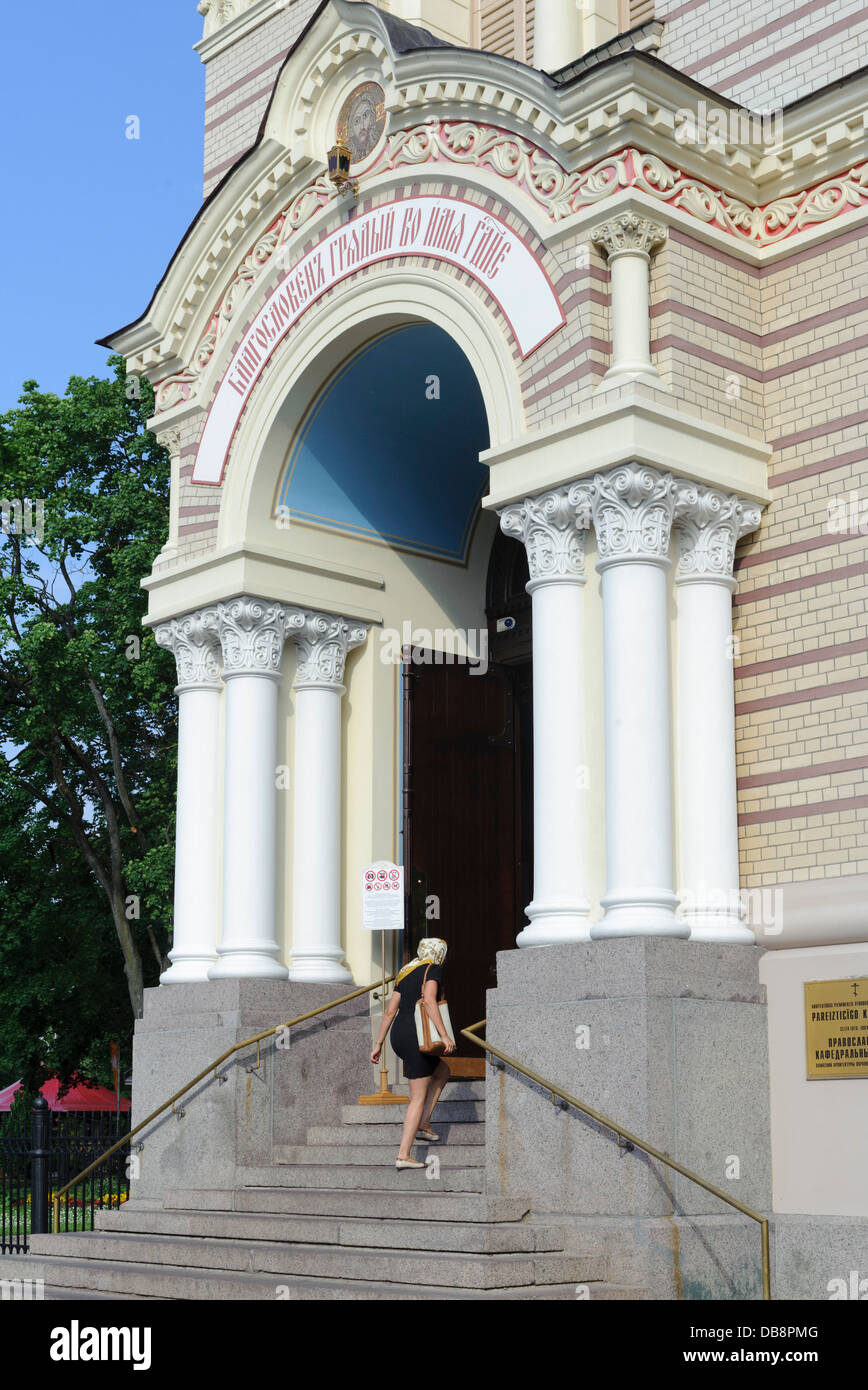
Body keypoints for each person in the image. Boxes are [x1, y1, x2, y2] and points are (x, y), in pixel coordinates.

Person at [370, 937, 455, 1169]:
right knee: (417, 1097)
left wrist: (379, 1043)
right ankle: (403, 1154)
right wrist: (444, 1035)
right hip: (417, 1034)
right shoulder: (433, 969)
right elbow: (429, 1001)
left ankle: (424, 1124)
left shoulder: (404, 972)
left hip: (399, 1034)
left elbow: (389, 1011)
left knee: (443, 1071)